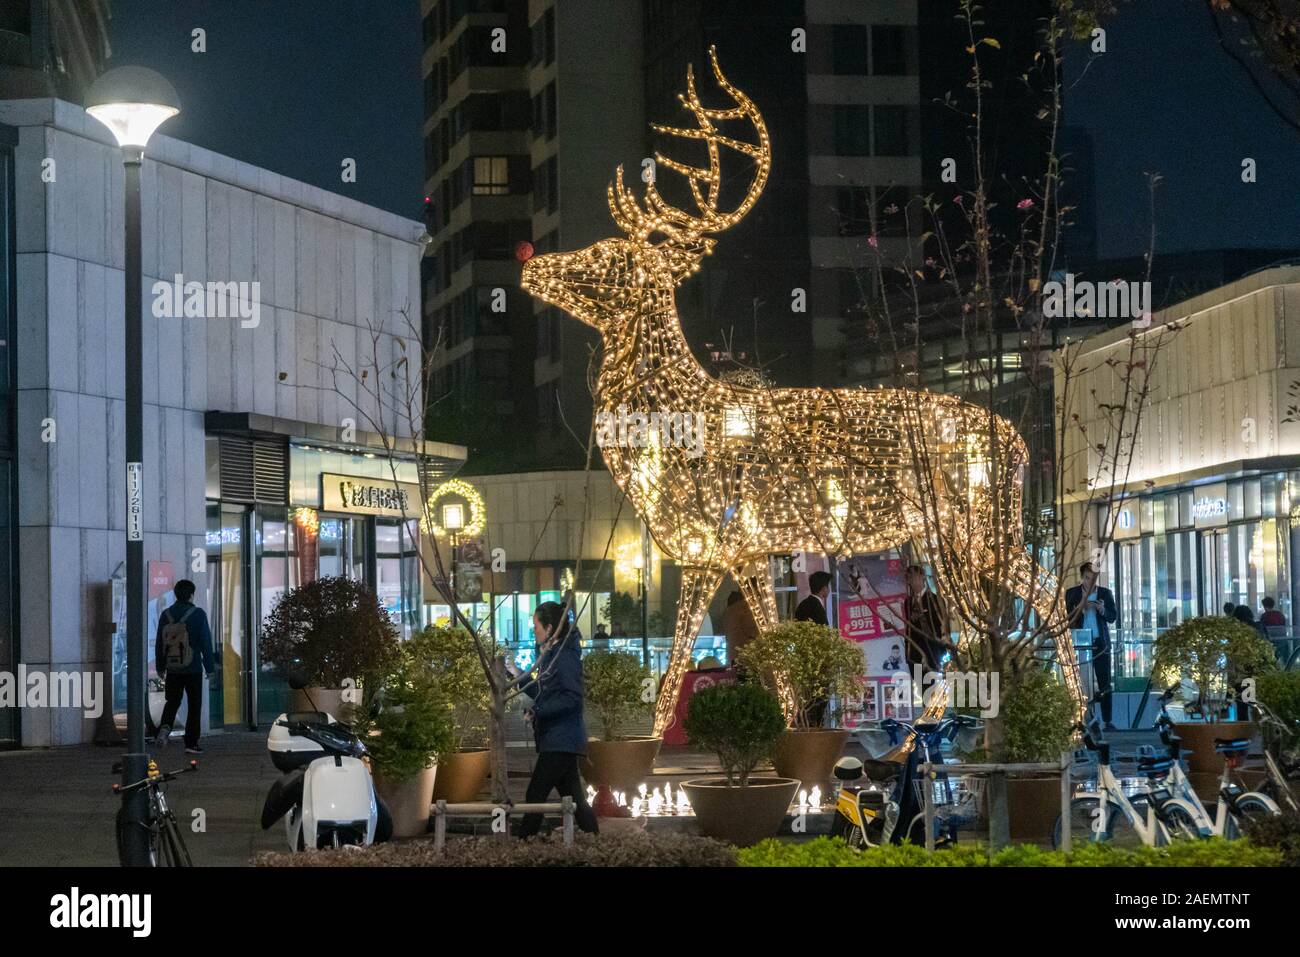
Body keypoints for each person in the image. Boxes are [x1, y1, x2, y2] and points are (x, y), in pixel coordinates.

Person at [507, 601, 598, 839]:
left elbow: (572, 698)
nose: (533, 631)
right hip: (560, 738)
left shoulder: (564, 657)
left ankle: (523, 841)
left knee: (535, 793)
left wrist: (538, 711)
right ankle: (594, 839)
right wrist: (518, 675)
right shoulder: (553, 655)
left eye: (536, 626)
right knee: (575, 798)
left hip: (561, 739)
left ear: (549, 628)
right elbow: (543, 692)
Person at [153, 579, 215, 754]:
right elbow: (205, 643)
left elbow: (160, 643)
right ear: (191, 595)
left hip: (173, 668)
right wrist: (210, 668)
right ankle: (191, 743)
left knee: (172, 701)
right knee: (194, 705)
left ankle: (165, 727)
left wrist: (160, 666)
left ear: (176, 594)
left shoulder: (166, 615)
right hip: (193, 667)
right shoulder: (198, 614)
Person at [1065, 562, 1119, 731]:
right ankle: (1082, 719)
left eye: (1093, 578)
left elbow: (1112, 617)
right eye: (1087, 578)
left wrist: (1101, 609)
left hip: (1100, 642)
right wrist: (1080, 608)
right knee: (1080, 682)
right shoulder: (1072, 593)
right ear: (1083, 578)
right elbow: (1067, 619)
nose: (1090, 582)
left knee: (1104, 682)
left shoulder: (1105, 593)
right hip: (1080, 643)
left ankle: (1108, 720)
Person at [721, 590, 758, 666]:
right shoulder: (742, 610)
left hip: (732, 654)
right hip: (745, 653)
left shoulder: (726, 614)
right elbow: (750, 631)